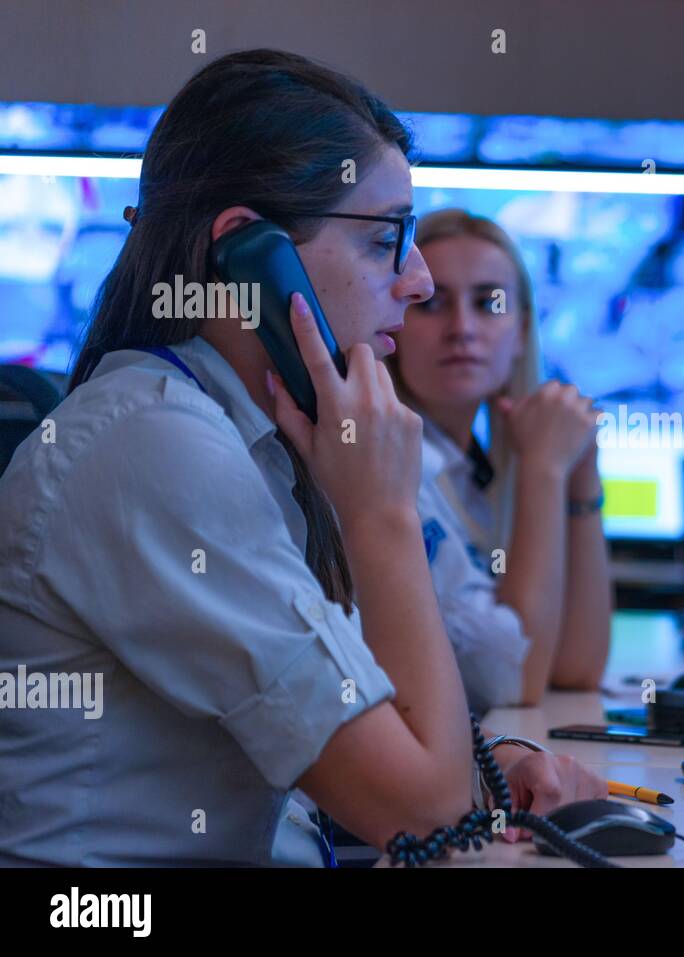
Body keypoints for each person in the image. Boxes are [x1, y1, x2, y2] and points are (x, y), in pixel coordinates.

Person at [0, 50, 603, 867]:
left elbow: (382, 735)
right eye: (386, 238)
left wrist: (493, 761)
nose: (416, 279)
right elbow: (422, 813)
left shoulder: (256, 439)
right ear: (250, 256)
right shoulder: (158, 448)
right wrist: (381, 512)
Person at [388, 210, 612, 710]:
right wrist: (544, 470)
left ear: (522, 329)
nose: (462, 329)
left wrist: (580, 480)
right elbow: (515, 681)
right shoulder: (395, 465)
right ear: (393, 321)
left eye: (489, 303)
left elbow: (576, 668)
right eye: (432, 304)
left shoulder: (464, 468)